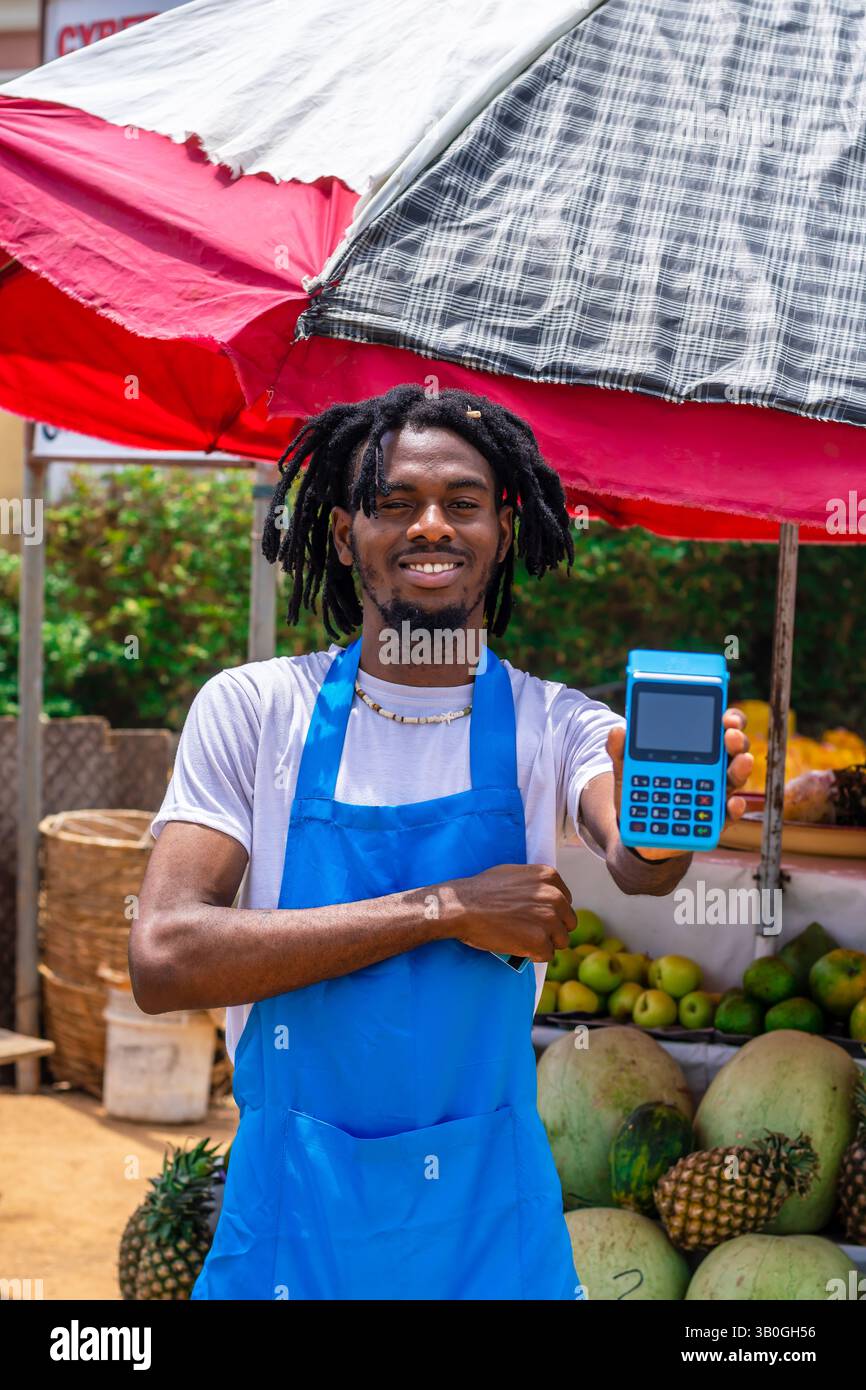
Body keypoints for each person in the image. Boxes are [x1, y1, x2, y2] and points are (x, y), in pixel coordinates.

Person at [131, 384, 752, 1300]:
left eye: (462, 503)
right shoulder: (258, 711)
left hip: (489, 1240)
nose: (431, 526)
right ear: (343, 536)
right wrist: (445, 909)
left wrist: (673, 814)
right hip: (295, 1229)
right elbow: (165, 956)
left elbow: (639, 865)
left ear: (502, 528)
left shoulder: (555, 724)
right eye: (395, 504)